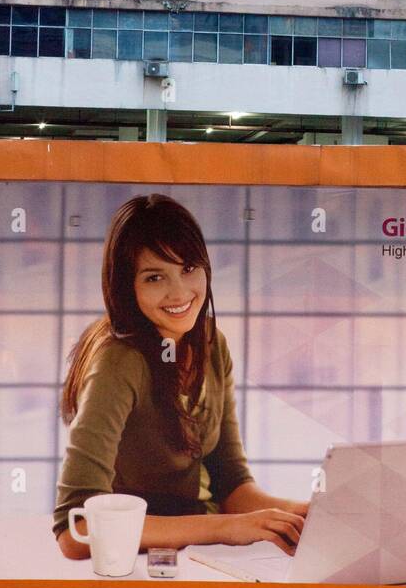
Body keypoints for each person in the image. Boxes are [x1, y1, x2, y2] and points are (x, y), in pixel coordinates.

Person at [54, 193, 309, 560]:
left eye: (189, 268)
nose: (179, 292)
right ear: (127, 286)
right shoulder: (118, 361)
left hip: (208, 556)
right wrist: (226, 527)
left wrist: (297, 513)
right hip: (149, 566)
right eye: (155, 276)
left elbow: (231, 482)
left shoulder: (210, 342)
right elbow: (76, 530)